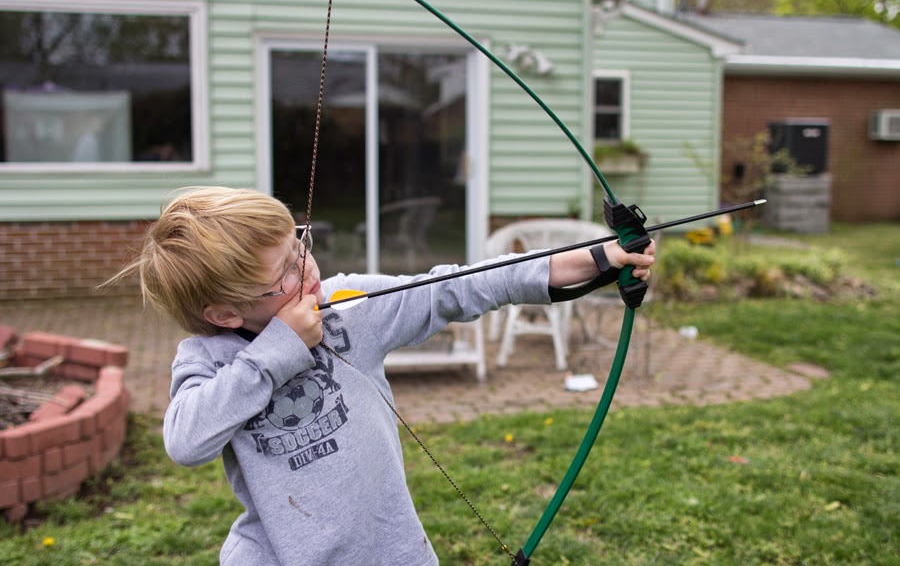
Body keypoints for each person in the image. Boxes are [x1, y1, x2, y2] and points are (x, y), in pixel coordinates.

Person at [110, 186, 654, 565]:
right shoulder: (207, 359)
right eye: (285, 274)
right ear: (226, 315)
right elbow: (186, 441)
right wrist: (278, 349)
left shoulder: (346, 306)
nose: (308, 270)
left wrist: (597, 259)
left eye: (301, 248)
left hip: (393, 551)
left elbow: (456, 287)